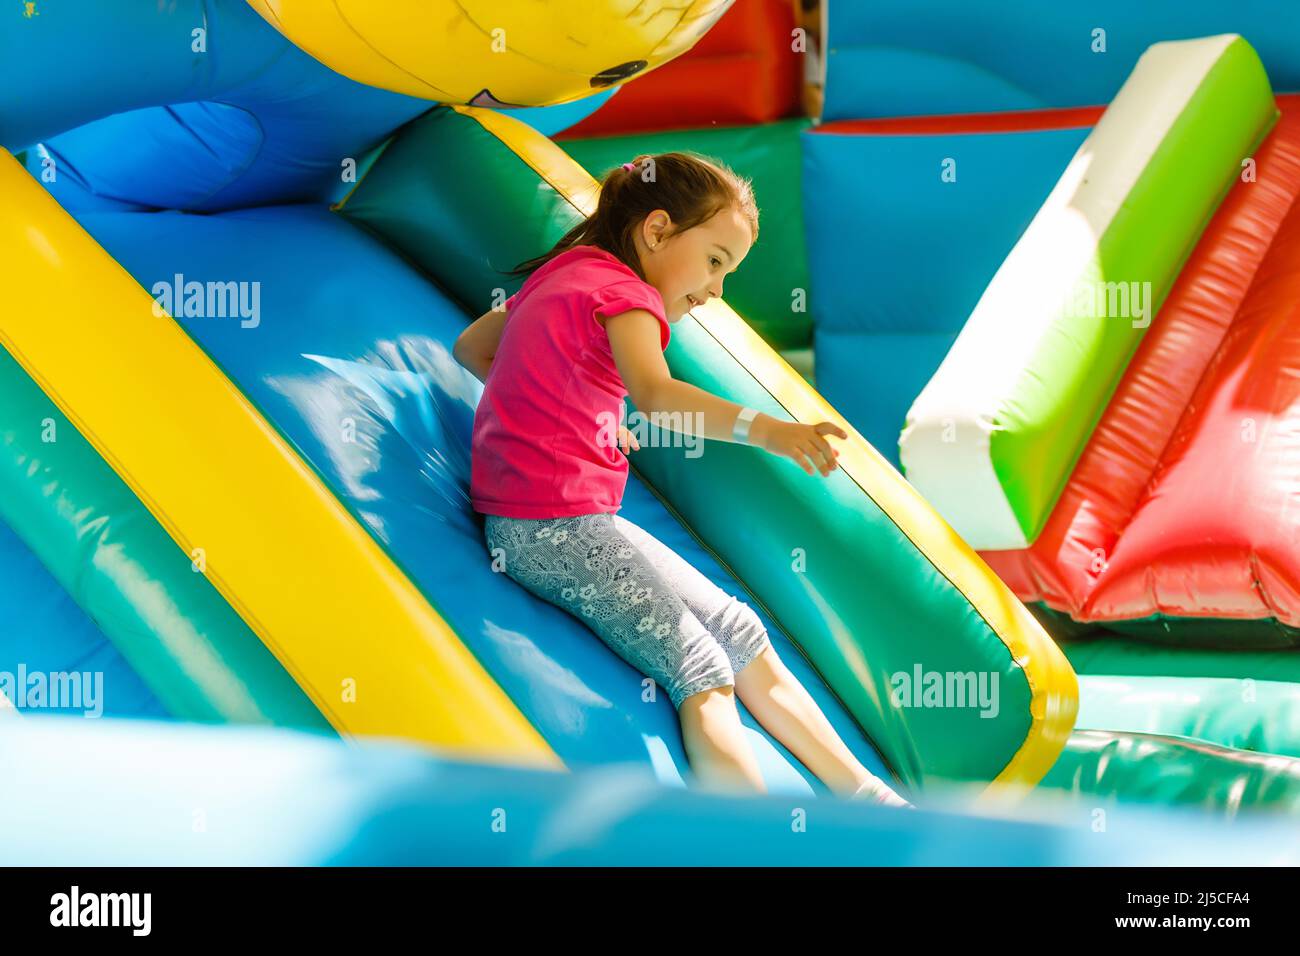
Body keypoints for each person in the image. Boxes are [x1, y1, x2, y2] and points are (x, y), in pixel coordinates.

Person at [454, 151, 912, 808]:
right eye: (716, 261)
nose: (717, 287)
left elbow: (477, 348)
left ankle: (868, 797)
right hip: (551, 530)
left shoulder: (567, 272)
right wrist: (773, 431)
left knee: (740, 630)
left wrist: (576, 413)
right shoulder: (629, 295)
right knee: (702, 669)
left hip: (564, 521)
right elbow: (660, 395)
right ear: (657, 229)